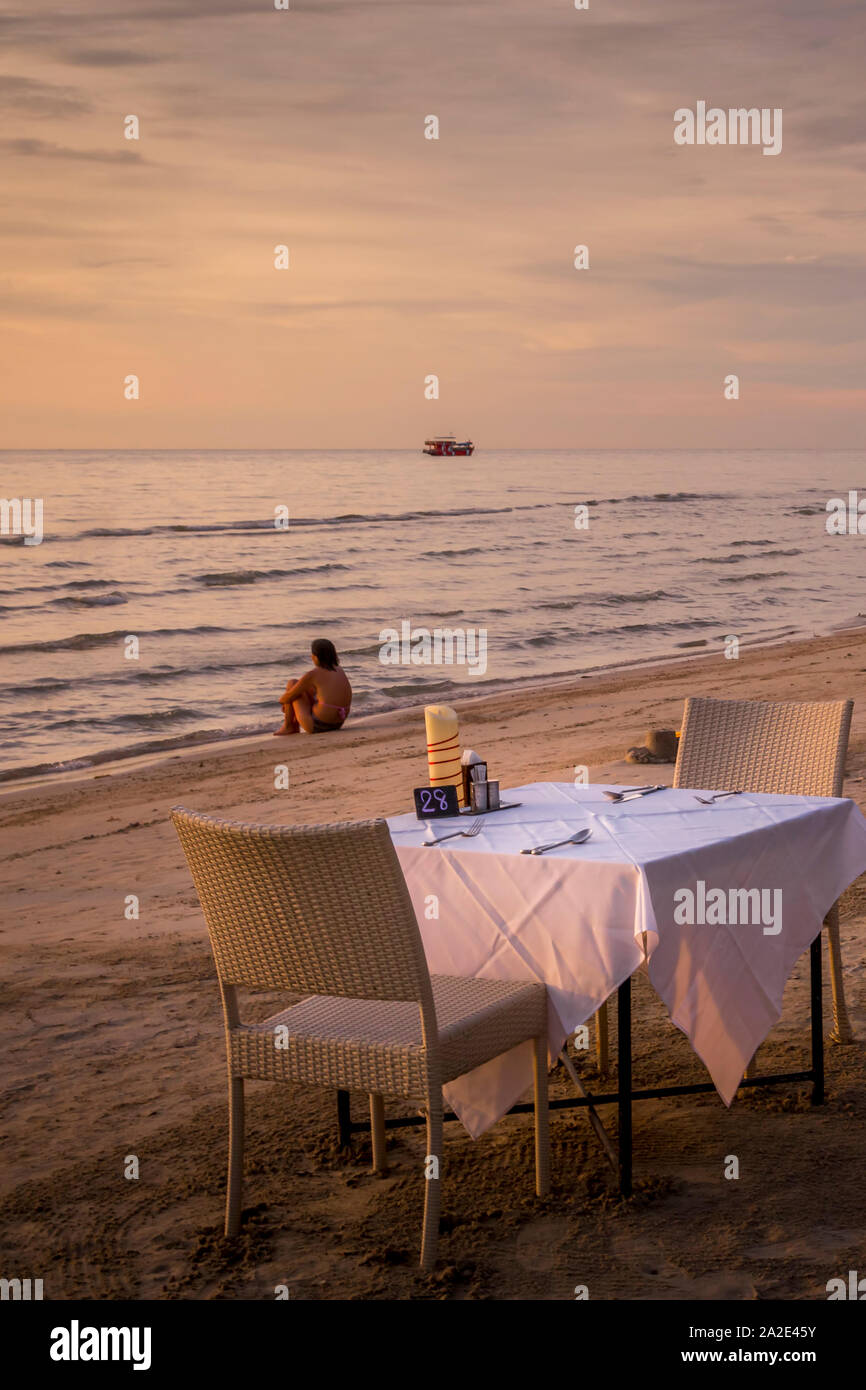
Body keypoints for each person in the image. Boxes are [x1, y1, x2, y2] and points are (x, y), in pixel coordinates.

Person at [275, 638, 352, 735]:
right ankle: (291, 726)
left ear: (314, 657)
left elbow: (286, 698)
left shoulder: (313, 674)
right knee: (307, 690)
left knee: (292, 683)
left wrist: (285, 704)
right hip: (338, 723)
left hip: (317, 725)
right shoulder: (339, 670)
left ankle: (288, 726)